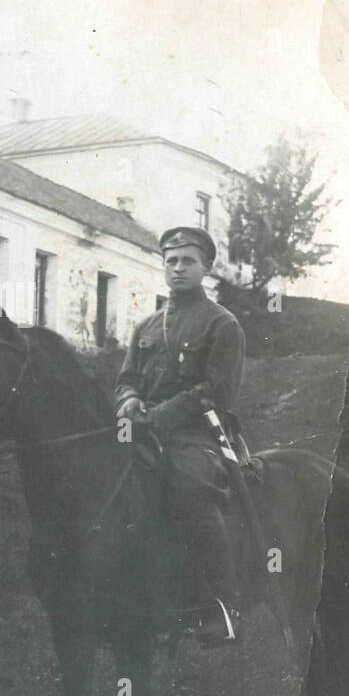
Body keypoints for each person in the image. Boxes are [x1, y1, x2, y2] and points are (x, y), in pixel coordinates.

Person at [115, 226, 247, 646]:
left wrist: (158, 416)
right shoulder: (146, 326)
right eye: (171, 261)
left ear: (207, 267)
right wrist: (130, 399)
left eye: (187, 261)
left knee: (190, 488)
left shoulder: (222, 324)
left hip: (197, 434)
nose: (177, 268)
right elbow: (125, 378)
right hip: (142, 429)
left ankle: (222, 608)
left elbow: (217, 392)